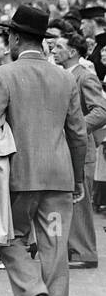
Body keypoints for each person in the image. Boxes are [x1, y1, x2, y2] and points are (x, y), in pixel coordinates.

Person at [0, 5, 87, 296]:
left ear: (13, 38)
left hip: (18, 177)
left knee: (7, 236)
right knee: (55, 247)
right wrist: (78, 177)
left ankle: (31, 291)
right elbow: (78, 133)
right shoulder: (65, 77)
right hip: (59, 177)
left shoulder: (2, 75)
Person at [52, 32, 103, 270]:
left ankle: (85, 252)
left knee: (80, 202)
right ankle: (75, 249)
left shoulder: (85, 77)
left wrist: (75, 127)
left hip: (82, 148)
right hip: (68, 148)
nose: (53, 49)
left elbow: (101, 111)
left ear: (72, 52)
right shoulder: (64, 75)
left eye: (59, 46)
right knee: (71, 200)